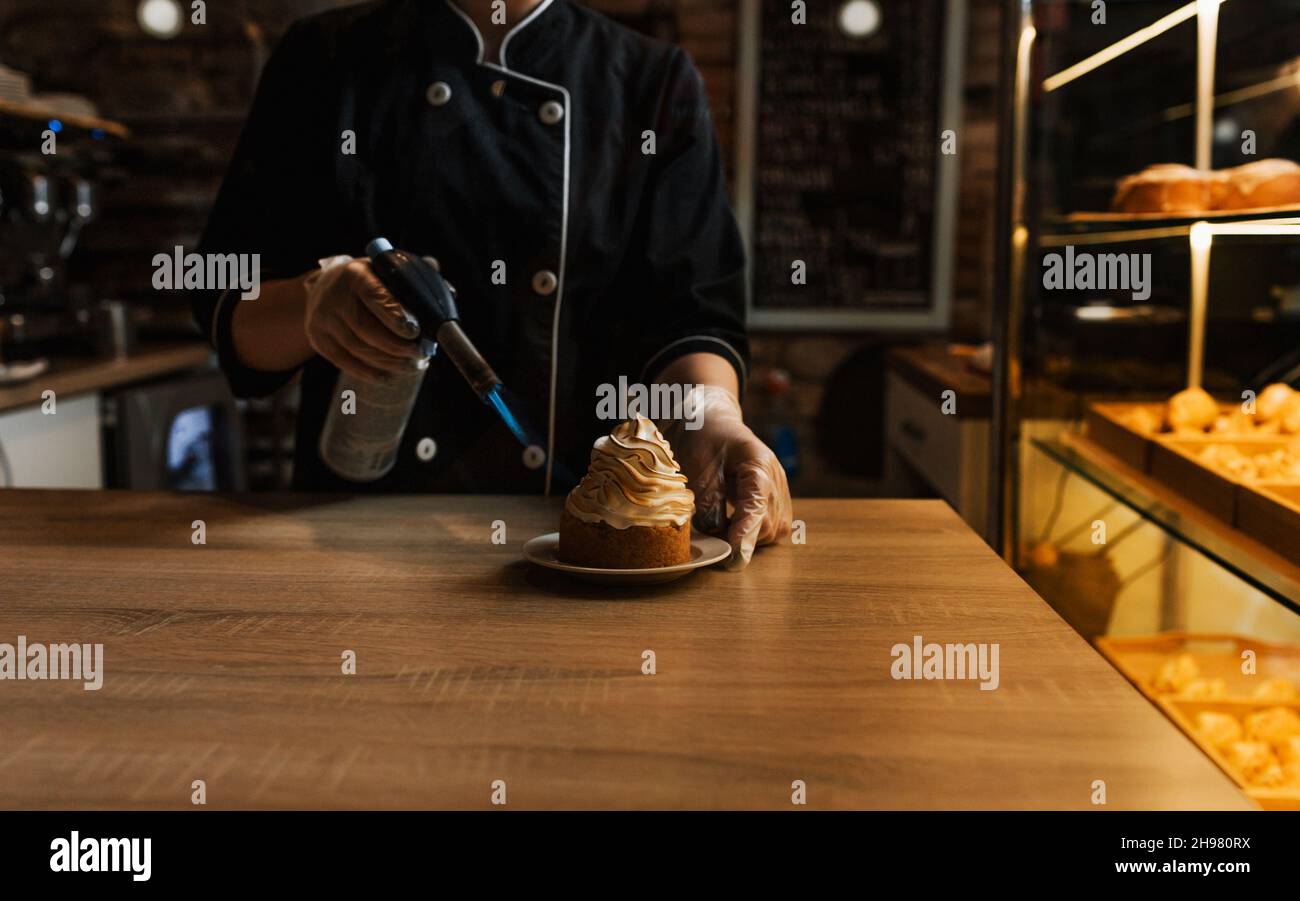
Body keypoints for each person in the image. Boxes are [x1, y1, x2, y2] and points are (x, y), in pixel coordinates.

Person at [192, 0, 790, 567]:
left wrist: (711, 419)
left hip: (582, 540)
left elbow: (690, 317)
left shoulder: (651, 81)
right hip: (350, 534)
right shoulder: (322, 58)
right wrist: (309, 304)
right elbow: (226, 300)